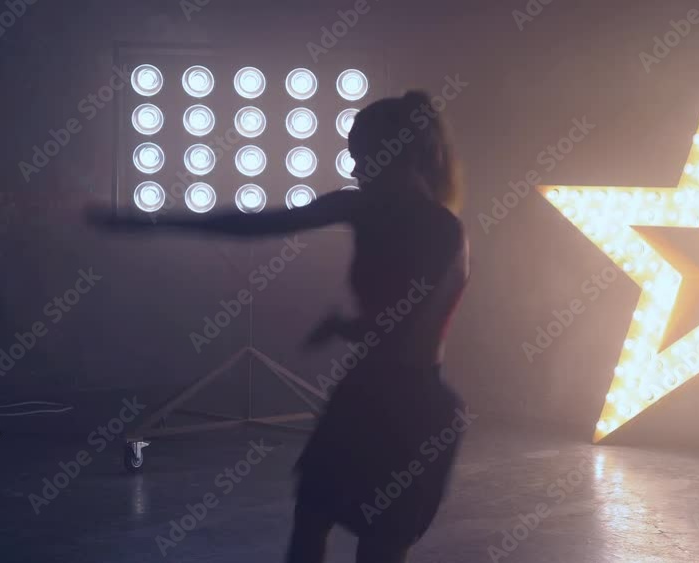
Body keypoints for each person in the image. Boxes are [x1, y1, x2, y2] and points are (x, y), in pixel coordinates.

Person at [88, 90, 470, 562]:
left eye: (362, 157)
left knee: (371, 542)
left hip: (410, 410)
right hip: (371, 392)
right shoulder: (366, 208)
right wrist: (156, 222)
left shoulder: (439, 229)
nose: (354, 170)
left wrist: (345, 328)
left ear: (399, 153)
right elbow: (259, 223)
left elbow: (405, 324)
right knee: (314, 522)